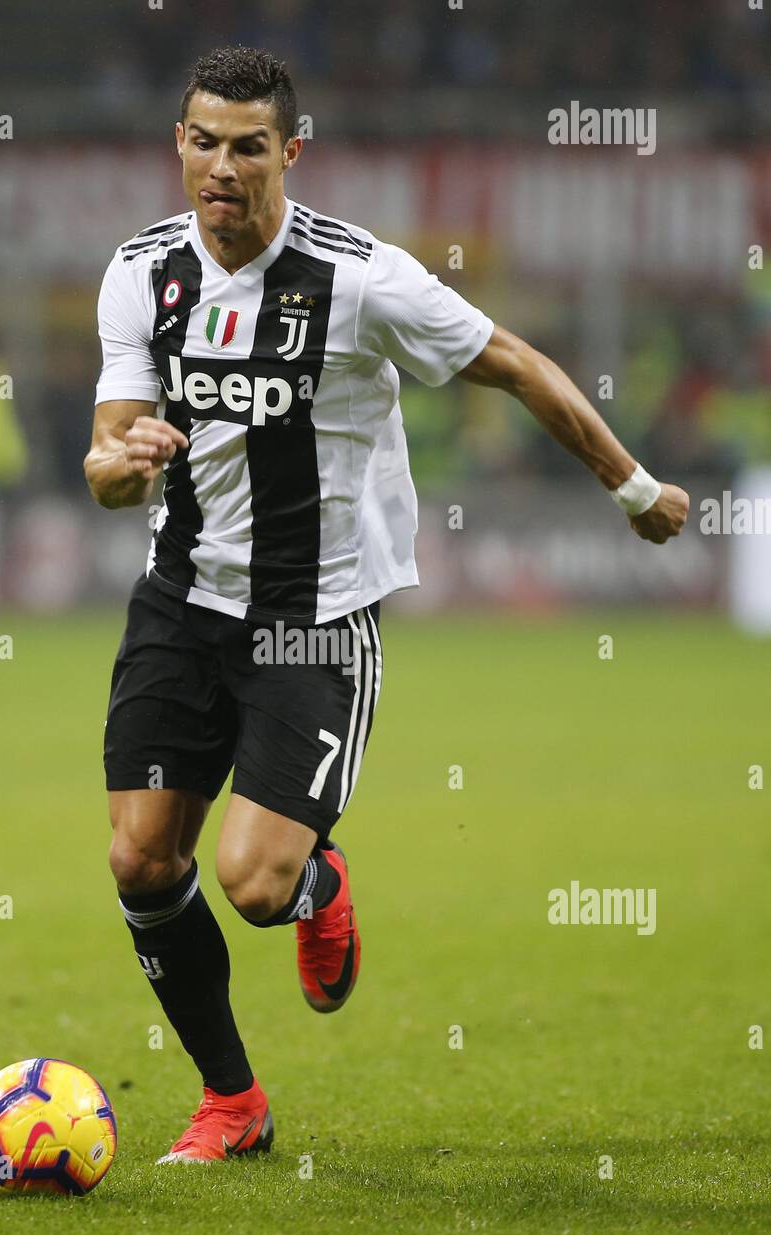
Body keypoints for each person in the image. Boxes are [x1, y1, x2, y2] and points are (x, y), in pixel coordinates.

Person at [83, 46, 689, 1164]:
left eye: (249, 146)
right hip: (181, 602)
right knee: (141, 864)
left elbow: (510, 361)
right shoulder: (143, 272)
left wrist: (635, 487)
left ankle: (316, 881)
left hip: (312, 616)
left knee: (253, 885)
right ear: (178, 144)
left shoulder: (360, 279)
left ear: (291, 152)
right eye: (203, 141)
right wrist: (131, 463)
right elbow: (106, 460)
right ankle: (233, 1102)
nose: (222, 166)